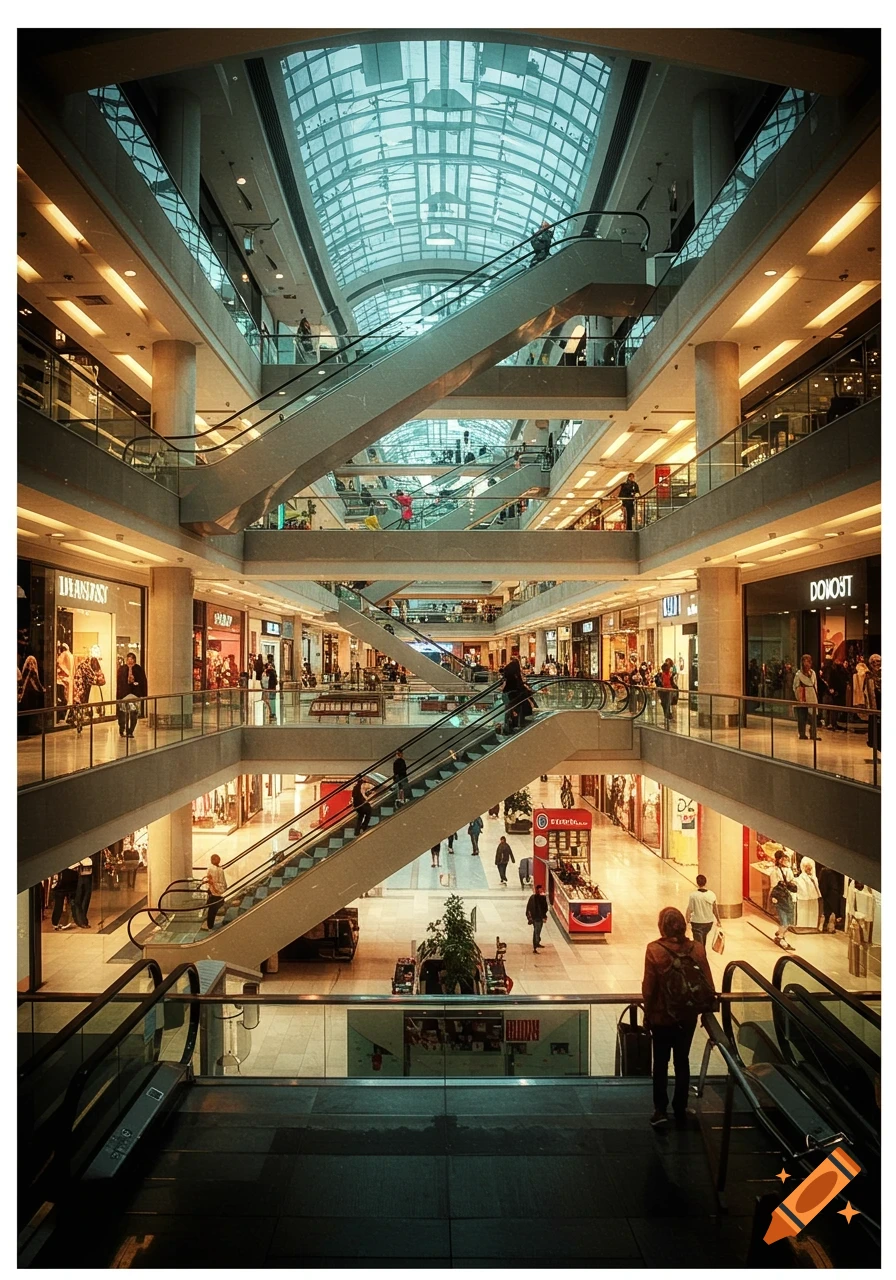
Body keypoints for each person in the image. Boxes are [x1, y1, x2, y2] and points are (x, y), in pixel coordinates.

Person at [641, 906, 716, 1127]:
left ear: (661, 926)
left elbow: (648, 988)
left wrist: (648, 1013)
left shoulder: (654, 950)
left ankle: (660, 1110)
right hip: (687, 1015)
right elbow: (708, 981)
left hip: (662, 1016)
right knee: (682, 1061)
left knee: (660, 1063)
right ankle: (680, 1109)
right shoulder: (697, 948)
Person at [768, 849, 798, 950]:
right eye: (783, 858)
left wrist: (771, 898)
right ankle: (780, 937)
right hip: (783, 898)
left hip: (782, 898)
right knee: (785, 919)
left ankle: (780, 934)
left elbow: (773, 886)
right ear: (780, 859)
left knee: (786, 919)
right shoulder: (780, 871)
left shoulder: (777, 871)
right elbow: (774, 886)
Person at [116, 651, 147, 738]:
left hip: (134, 695)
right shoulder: (122, 669)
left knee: (133, 713)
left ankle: (130, 731)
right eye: (128, 659)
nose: (130, 661)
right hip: (123, 695)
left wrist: (142, 692)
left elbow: (143, 681)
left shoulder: (138, 669)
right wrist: (118, 696)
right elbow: (119, 683)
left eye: (132, 659)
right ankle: (122, 729)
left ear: (134, 660)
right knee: (123, 713)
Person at [685, 875, 721, 948]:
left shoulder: (693, 895)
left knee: (698, 944)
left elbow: (690, 909)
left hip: (696, 923)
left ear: (697, 882)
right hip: (708, 922)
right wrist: (718, 920)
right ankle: (703, 951)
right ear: (706, 882)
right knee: (703, 939)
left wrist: (687, 921)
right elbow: (715, 909)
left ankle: (701, 953)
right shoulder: (712, 894)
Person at [792, 653, 819, 741]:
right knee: (802, 717)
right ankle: (802, 734)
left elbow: (815, 685)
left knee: (813, 717)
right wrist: (799, 696)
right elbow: (795, 686)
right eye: (805, 661)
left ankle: (813, 734)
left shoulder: (813, 673)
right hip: (803, 697)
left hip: (812, 696)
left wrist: (815, 694)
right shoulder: (798, 674)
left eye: (808, 661)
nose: (807, 663)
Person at [17, 654, 45, 737]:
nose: (32, 665)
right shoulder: (30, 672)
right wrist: (42, 690)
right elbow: (36, 683)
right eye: (30, 663)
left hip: (28, 696)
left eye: (32, 663)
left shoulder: (27, 671)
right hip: (29, 696)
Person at [201, 854, 227, 931]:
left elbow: (222, 881)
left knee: (213, 909)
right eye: (216, 859)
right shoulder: (211, 869)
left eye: (218, 859)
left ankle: (211, 925)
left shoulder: (219, 869)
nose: (219, 860)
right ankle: (210, 926)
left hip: (217, 892)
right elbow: (208, 879)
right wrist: (212, 884)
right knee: (212, 909)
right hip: (213, 892)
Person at [51, 863, 81, 930]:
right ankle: (57, 922)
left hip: (66, 884)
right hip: (63, 885)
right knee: (60, 904)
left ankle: (59, 922)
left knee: (64, 904)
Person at [864, 653, 881, 761]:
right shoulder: (868, 676)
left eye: (878, 661)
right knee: (875, 732)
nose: (876, 664)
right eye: (873, 662)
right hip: (874, 707)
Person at [71, 857, 95, 928]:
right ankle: (81, 920)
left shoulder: (88, 860)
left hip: (84, 878)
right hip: (77, 878)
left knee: (84, 899)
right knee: (79, 900)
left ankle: (82, 920)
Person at [526, 883, 549, 952]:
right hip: (536, 918)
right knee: (536, 931)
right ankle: (535, 946)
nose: (541, 890)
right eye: (540, 889)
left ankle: (537, 943)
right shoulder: (534, 898)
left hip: (539, 917)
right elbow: (530, 908)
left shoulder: (541, 897)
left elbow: (545, 908)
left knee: (538, 931)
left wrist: (544, 916)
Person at [654, 660, 677, 728]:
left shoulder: (669, 675)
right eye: (668, 668)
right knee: (665, 704)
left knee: (667, 704)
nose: (669, 669)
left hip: (668, 691)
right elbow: (663, 683)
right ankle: (667, 716)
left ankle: (667, 716)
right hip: (664, 692)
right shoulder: (662, 675)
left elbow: (671, 683)